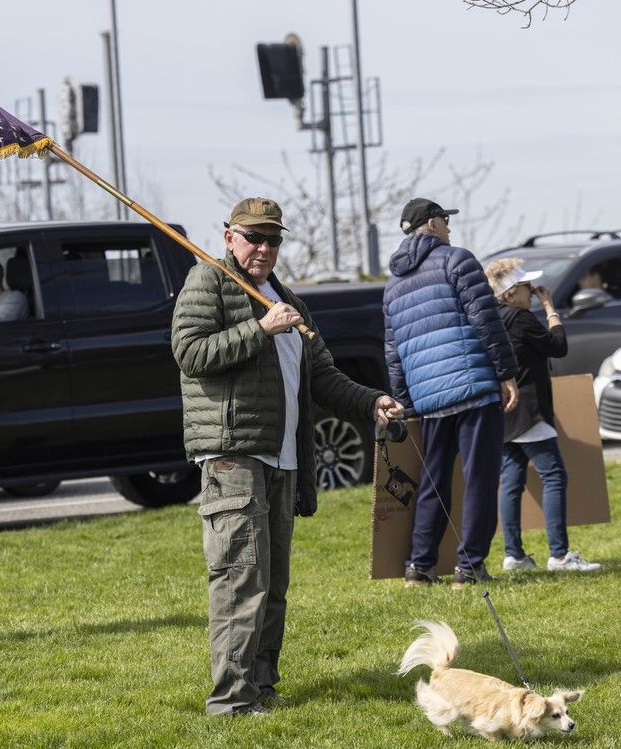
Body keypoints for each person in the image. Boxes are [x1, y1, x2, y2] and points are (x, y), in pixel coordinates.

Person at [171, 197, 403, 716]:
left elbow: (321, 376)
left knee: (272, 581)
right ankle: (230, 699)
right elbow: (190, 353)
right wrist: (260, 329)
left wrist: (372, 402)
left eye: (273, 239)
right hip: (233, 456)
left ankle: (262, 687)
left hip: (283, 459)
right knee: (240, 577)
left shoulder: (287, 297)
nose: (264, 248)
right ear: (229, 236)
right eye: (254, 237)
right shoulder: (206, 281)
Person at [383, 198, 519, 589]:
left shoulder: (393, 283)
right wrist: (506, 372)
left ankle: (419, 568)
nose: (449, 227)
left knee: (433, 482)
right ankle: (469, 568)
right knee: (479, 479)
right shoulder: (457, 260)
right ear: (431, 224)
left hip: (429, 399)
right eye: (445, 220)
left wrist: (405, 400)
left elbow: (392, 351)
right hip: (473, 388)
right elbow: (486, 320)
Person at [485, 258, 601, 573]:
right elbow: (558, 346)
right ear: (509, 293)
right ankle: (560, 556)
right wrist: (549, 306)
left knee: (510, 480)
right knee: (554, 475)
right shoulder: (521, 319)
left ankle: (514, 555)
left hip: (505, 412)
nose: (532, 291)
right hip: (529, 410)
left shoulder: (494, 319)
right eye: (525, 286)